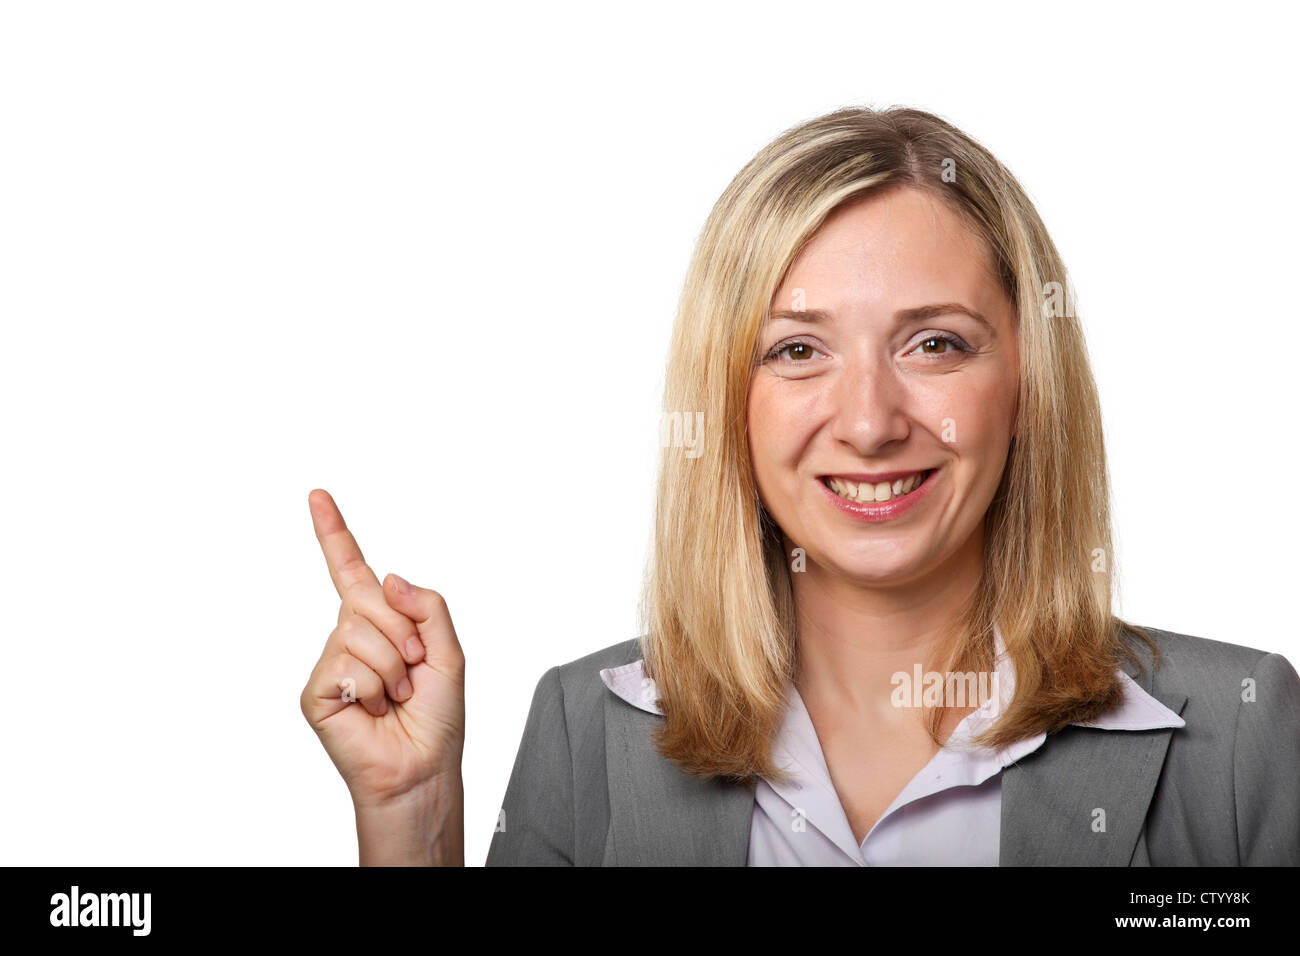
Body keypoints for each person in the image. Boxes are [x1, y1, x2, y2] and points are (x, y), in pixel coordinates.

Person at [299, 106, 1300, 866]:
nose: (867, 421)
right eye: (796, 349)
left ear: (1026, 386)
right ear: (729, 398)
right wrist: (412, 815)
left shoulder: (1238, 731)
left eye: (935, 342)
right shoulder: (587, 729)